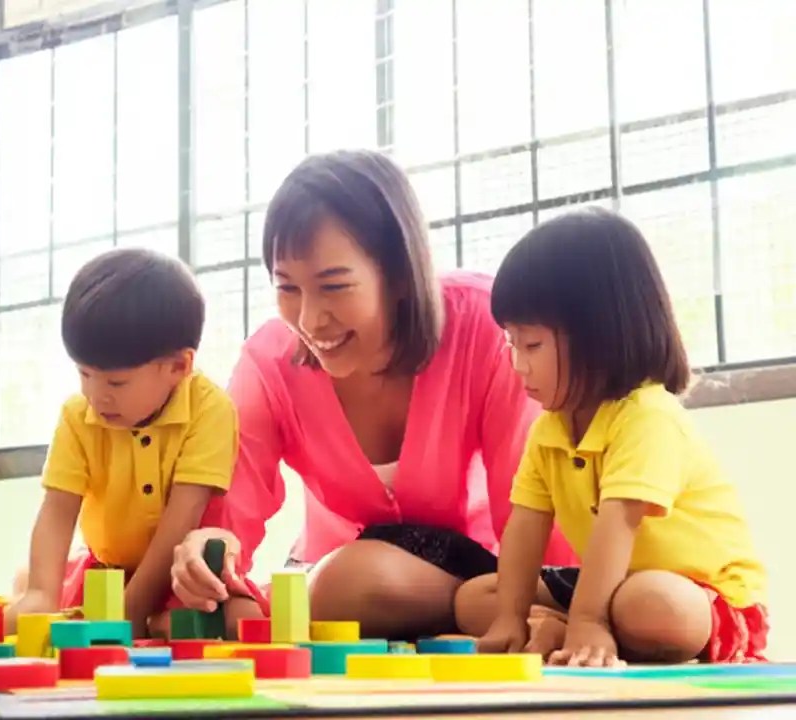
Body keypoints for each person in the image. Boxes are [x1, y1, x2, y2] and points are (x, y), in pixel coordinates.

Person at [169, 149, 576, 640]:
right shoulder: (269, 362)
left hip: (488, 569)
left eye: (334, 286)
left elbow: (533, 497)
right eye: (288, 288)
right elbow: (231, 511)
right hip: (334, 579)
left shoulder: (484, 329)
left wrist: (553, 601)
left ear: (400, 274)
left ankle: (486, 609)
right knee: (324, 589)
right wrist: (212, 553)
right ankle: (471, 615)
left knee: (352, 583)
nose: (310, 320)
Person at [454, 208, 767, 666]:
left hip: (701, 595)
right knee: (475, 596)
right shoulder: (551, 428)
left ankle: (588, 627)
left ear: (600, 336)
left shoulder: (647, 417)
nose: (518, 365)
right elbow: (525, 526)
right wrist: (510, 617)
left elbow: (618, 523)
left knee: (652, 606)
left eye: (533, 345)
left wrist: (589, 620)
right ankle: (570, 625)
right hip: (609, 586)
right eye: (510, 342)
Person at [3, 248, 238, 637]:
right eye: (84, 374)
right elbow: (58, 509)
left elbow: (182, 520)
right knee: (42, 606)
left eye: (116, 383)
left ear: (178, 367)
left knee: (231, 621)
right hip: (106, 571)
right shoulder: (78, 415)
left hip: (183, 571)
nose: (97, 396)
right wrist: (41, 593)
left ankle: (150, 618)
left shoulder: (210, 409)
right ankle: (39, 583)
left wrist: (133, 609)